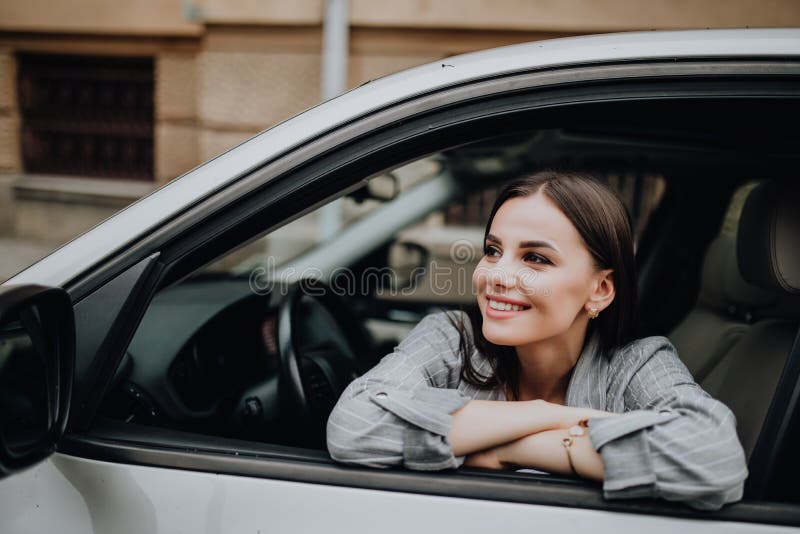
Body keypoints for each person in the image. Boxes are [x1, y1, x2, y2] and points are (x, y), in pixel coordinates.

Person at [326, 170, 747, 510]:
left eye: (536, 258)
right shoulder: (451, 338)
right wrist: (551, 415)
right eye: (493, 250)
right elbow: (353, 425)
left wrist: (512, 450)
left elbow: (714, 456)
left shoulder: (635, 364)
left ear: (600, 289)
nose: (496, 276)